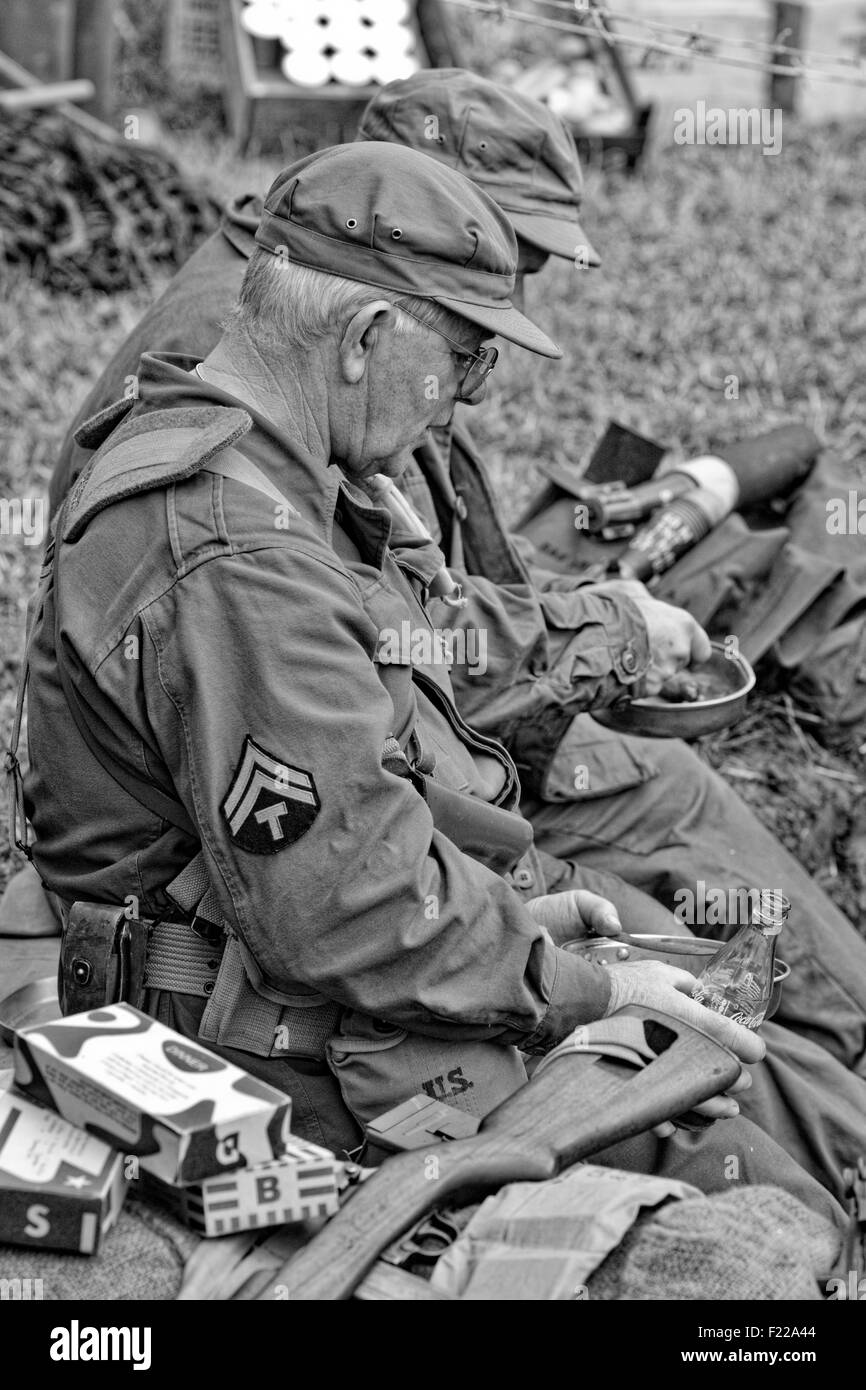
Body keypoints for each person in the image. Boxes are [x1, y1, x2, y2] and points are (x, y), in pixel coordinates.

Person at [19, 141, 847, 1230]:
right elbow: (349, 909)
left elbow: (381, 757)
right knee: (756, 1182)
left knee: (743, 1065)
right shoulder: (238, 552)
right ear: (365, 339)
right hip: (255, 1042)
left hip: (289, 973)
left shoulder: (268, 472)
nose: (470, 398)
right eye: (462, 361)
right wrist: (577, 988)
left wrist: (523, 934)